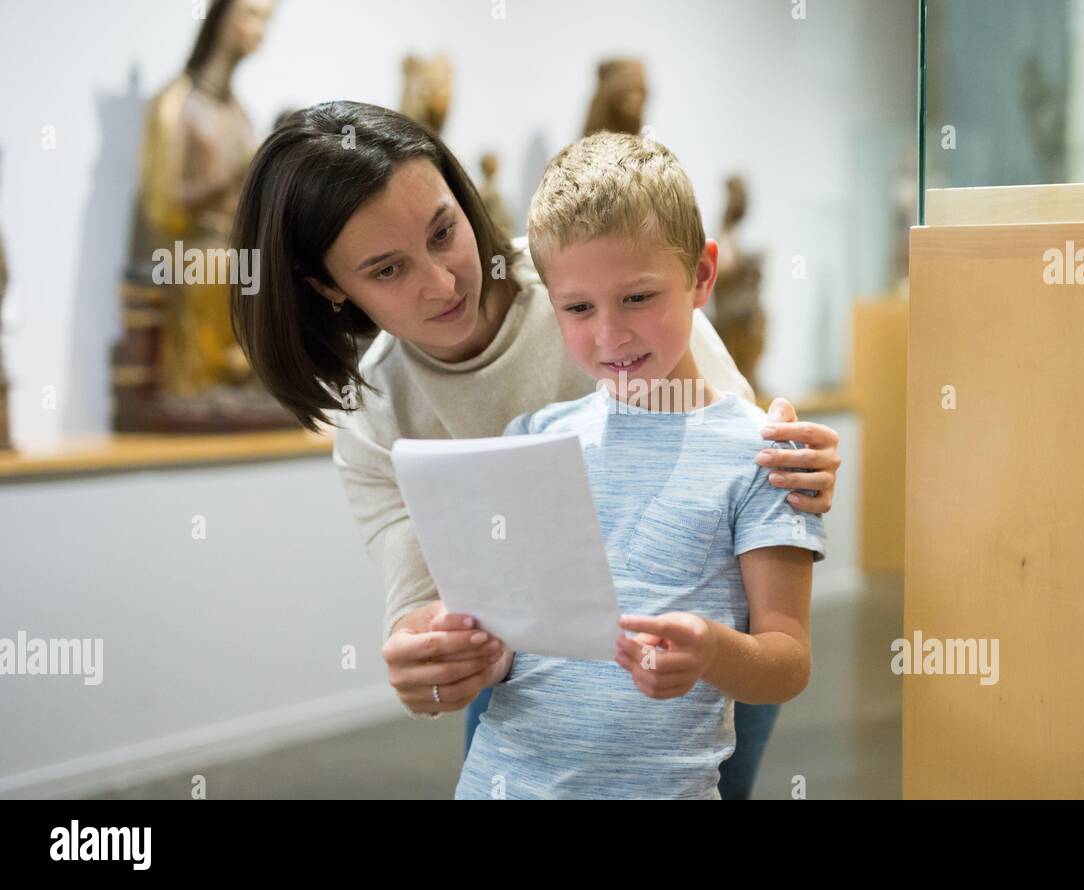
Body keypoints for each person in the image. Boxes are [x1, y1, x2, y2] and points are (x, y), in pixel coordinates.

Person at [229, 101, 843, 797]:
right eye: (387, 270)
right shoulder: (378, 416)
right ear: (329, 287)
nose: (443, 281)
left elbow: (738, 441)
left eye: (442, 232)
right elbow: (450, 617)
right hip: (532, 731)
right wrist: (435, 658)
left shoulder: (595, 261)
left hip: (693, 697)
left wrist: (791, 457)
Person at [453, 131, 825, 799]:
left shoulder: (769, 454)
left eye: (638, 298)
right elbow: (508, 643)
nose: (610, 335)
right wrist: (467, 652)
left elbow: (788, 663)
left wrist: (713, 652)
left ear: (703, 276)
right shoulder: (532, 438)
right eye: (578, 308)